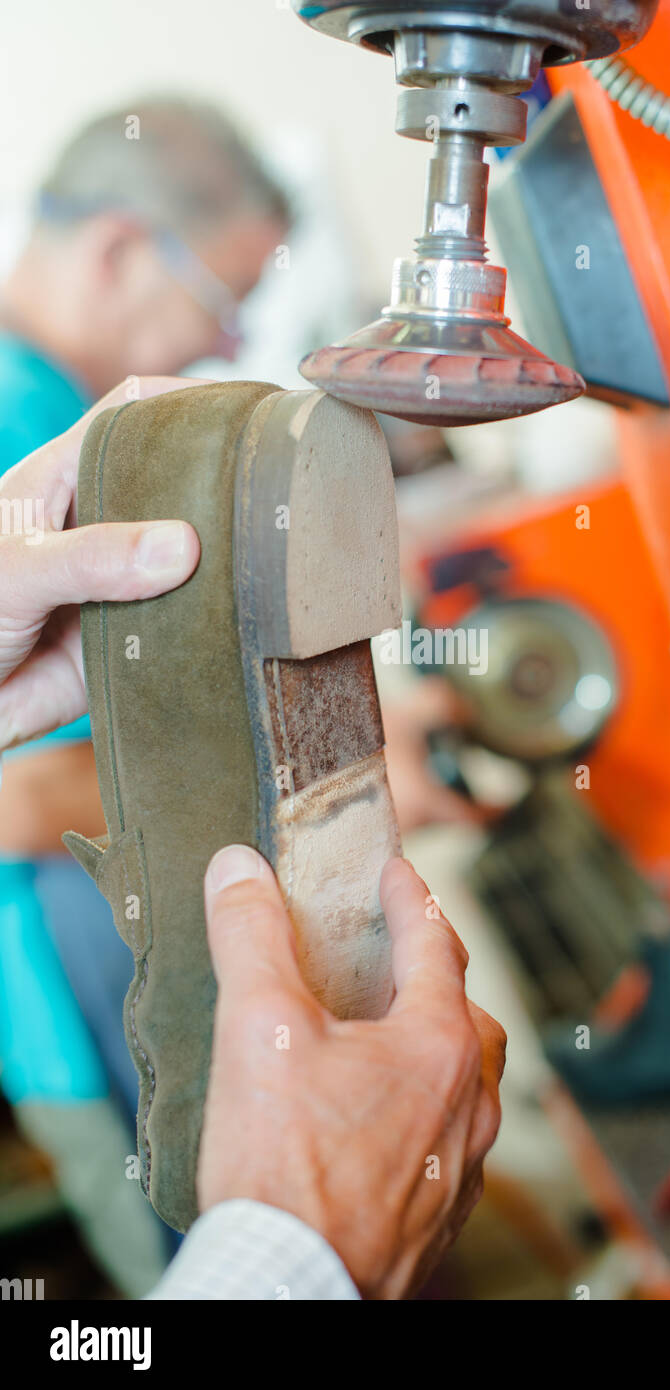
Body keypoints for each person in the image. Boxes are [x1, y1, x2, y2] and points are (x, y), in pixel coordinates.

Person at [0, 381, 507, 1298]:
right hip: (67, 1009)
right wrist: (301, 1248)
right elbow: (17, 804)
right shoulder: (12, 395)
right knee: (215, 1178)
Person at [0, 97, 293, 1292]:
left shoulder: (66, 419)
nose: (223, 348)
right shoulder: (26, 420)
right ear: (120, 248)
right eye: (220, 305)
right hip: (75, 1015)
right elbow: (15, 803)